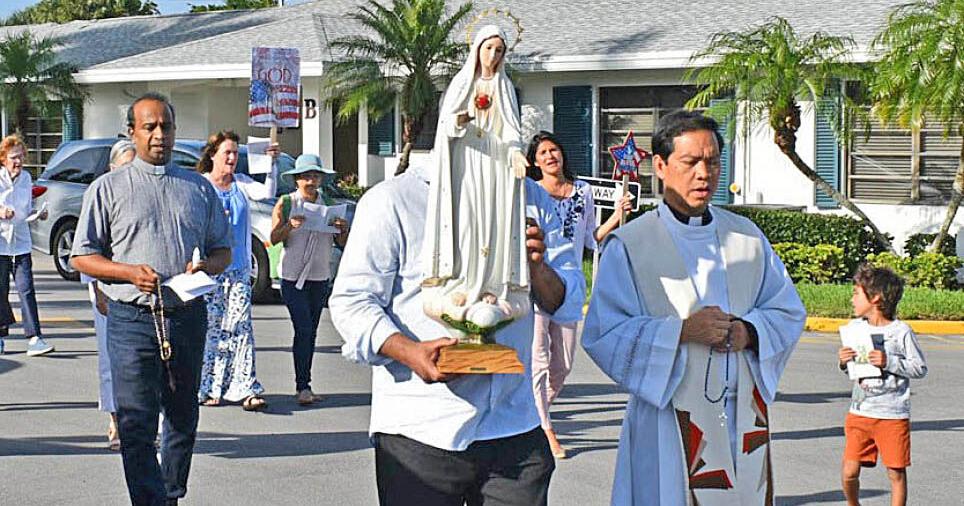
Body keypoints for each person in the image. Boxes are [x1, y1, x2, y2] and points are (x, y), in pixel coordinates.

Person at [581, 109, 806, 505]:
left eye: (713, 161)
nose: (705, 173)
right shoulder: (630, 245)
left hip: (742, 418)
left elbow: (787, 311)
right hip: (668, 421)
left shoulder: (747, 237)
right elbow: (604, 334)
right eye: (691, 162)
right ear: (661, 166)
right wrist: (682, 332)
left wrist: (748, 332)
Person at [71, 92, 231, 506]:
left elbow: (222, 250)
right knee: (136, 423)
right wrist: (127, 272)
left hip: (185, 315)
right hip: (130, 319)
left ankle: (170, 494)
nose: (160, 135)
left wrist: (206, 268)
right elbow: (82, 256)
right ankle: (150, 500)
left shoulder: (197, 188)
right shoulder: (107, 188)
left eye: (166, 126)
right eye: (150, 127)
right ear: (132, 132)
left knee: (182, 419)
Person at [525, 131, 633, 459]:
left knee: (563, 364)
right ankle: (545, 429)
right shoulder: (529, 194)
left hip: (570, 286)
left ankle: (532, 413)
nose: (549, 156)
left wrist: (617, 214)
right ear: (534, 161)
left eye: (554, 150)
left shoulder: (582, 192)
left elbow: (591, 239)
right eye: (542, 152)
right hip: (537, 284)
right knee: (539, 361)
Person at [421, 25, 531, 333]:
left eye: (499, 50)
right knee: (467, 223)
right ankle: (463, 280)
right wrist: (463, 117)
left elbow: (511, 128)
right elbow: (446, 126)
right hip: (466, 162)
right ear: (477, 49)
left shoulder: (504, 85)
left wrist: (515, 153)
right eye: (488, 48)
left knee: (493, 224)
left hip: (495, 162)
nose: (493, 55)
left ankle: (489, 283)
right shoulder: (461, 82)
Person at [195, 130, 278, 412]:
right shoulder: (202, 186)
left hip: (239, 270)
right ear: (213, 155)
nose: (232, 158)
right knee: (211, 330)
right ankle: (209, 387)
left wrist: (272, 164)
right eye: (227, 153)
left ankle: (246, 387)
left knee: (241, 327)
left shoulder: (241, 184)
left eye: (235, 153)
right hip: (210, 272)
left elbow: (267, 191)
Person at [838, 265, 926, 506]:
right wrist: (844, 362)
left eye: (857, 293)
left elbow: (919, 368)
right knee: (849, 471)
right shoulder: (855, 329)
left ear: (875, 297)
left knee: (896, 472)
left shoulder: (901, 332)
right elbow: (852, 368)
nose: (852, 298)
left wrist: (890, 362)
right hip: (860, 413)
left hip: (892, 415)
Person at [270, 154, 348, 405]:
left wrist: (341, 228)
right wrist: (290, 226)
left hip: (319, 276)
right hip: (293, 276)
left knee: (311, 331)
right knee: (302, 328)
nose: (311, 181)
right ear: (297, 180)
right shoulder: (286, 202)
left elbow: (342, 242)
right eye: (306, 176)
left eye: (315, 176)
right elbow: (274, 238)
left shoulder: (328, 204)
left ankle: (306, 383)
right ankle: (302, 386)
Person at [84, 138, 136, 450]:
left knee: (140, 362)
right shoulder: (99, 192)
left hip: (139, 292)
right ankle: (116, 419)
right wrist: (96, 288)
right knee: (111, 359)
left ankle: (141, 423)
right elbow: (86, 248)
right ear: (112, 167)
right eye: (125, 166)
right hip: (106, 289)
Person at [0, 135, 51, 356]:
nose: (18, 161)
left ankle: (34, 337)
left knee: (26, 289)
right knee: (0, 292)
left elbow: (25, 208)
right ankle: (0, 338)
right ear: (3, 159)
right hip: (1, 242)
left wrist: (37, 214)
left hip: (20, 243)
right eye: (14, 157)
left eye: (21, 157)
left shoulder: (27, 178)